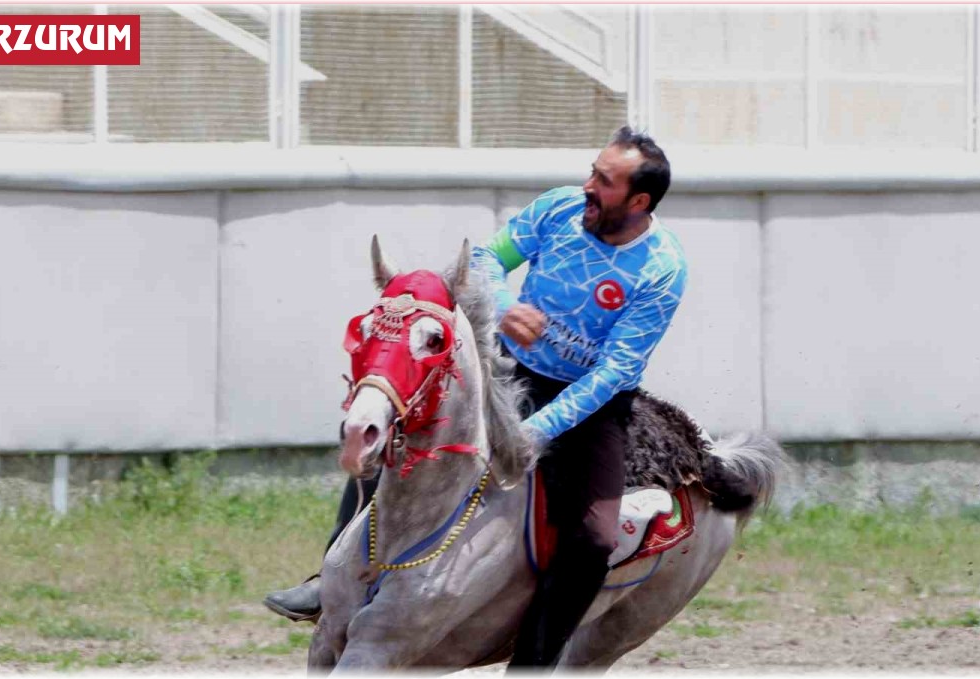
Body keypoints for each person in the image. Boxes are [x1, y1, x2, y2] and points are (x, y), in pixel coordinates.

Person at [264, 126, 687, 669]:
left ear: (638, 200)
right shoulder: (558, 209)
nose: (587, 185)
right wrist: (505, 303)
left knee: (592, 539)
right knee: (388, 432)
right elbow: (487, 258)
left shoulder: (661, 269)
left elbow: (615, 372)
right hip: (505, 369)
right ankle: (329, 578)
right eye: (592, 170)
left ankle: (534, 662)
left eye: (603, 180)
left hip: (588, 407)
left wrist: (532, 431)